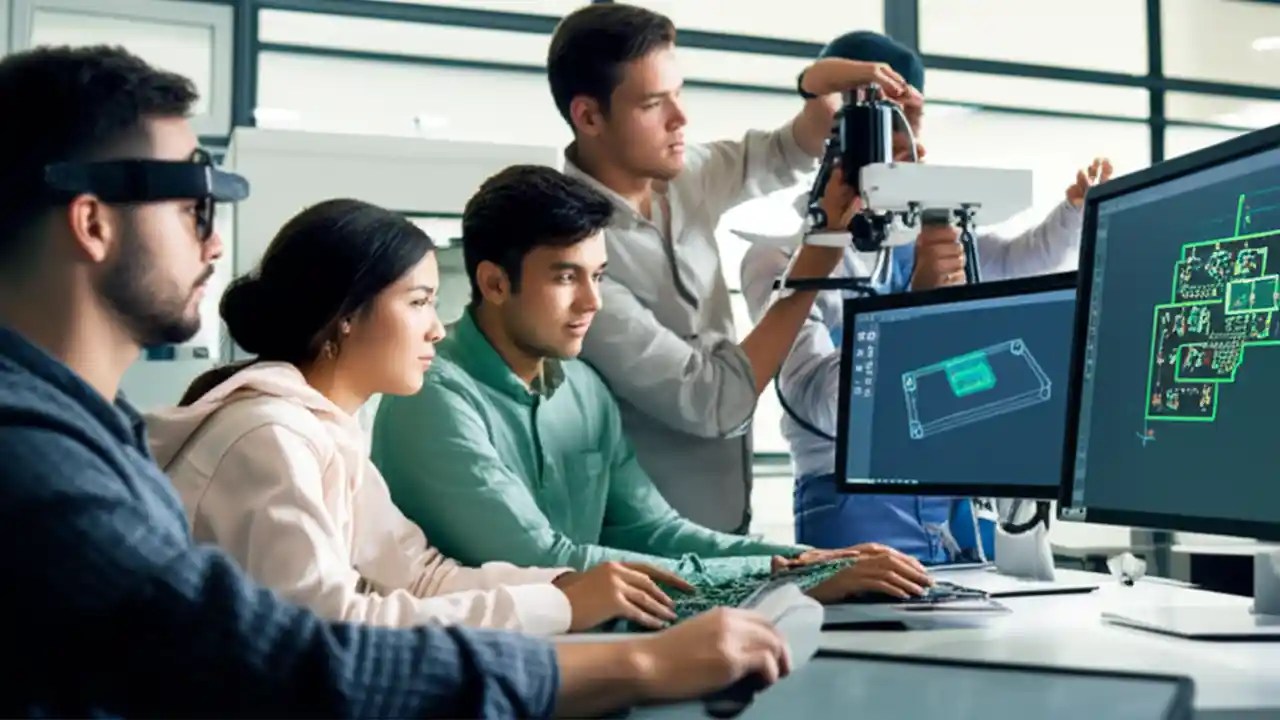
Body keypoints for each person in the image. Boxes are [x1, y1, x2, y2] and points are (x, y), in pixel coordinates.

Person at [0, 44, 799, 717]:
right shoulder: (39, 459)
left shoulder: (94, 434)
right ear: (94, 220)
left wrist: (574, 590)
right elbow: (304, 659)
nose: (212, 247)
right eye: (194, 207)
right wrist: (639, 665)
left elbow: (411, 574)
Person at [373, 164, 933, 604]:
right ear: (494, 283)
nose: (592, 302)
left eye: (598, 276)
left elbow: (656, 531)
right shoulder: (431, 394)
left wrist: (807, 559)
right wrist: (790, 576)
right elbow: (545, 561)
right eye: (566, 277)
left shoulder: (585, 388)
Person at [147, 197, 696, 635]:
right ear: (344, 316)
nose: (436, 327)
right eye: (418, 302)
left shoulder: (320, 429)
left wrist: (567, 584)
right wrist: (558, 607)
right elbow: (334, 627)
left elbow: (418, 573)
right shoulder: (271, 437)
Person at [546, 3, 925, 532]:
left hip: (725, 528)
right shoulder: (573, 258)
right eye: (654, 103)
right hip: (641, 551)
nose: (681, 119)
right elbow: (712, 402)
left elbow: (782, 151)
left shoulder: (684, 175)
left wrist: (817, 87)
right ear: (589, 117)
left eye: (678, 94)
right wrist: (817, 258)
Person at [740, 31, 1114, 562]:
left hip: (954, 488)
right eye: (884, 143)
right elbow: (823, 402)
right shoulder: (778, 260)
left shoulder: (929, 234)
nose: (904, 162)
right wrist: (916, 309)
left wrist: (1075, 211)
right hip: (851, 496)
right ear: (833, 136)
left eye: (910, 144)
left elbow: (1015, 263)